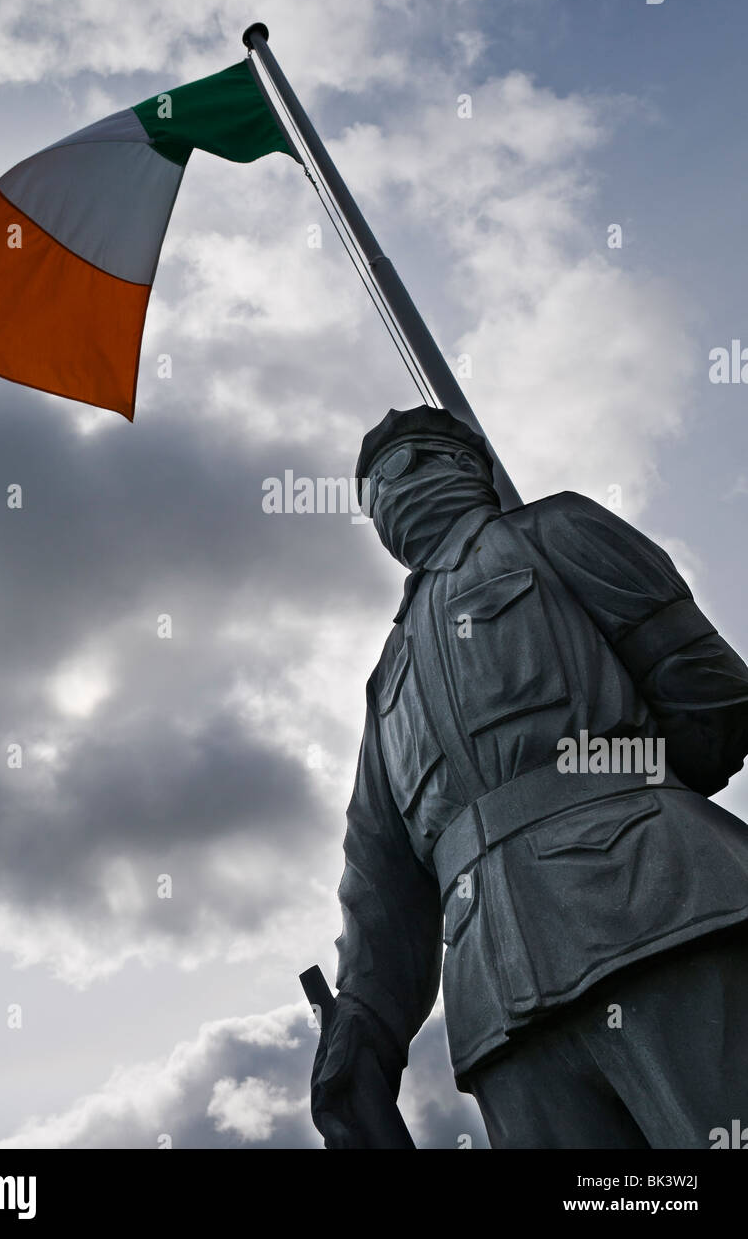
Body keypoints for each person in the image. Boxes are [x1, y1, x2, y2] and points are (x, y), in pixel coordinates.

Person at [311, 406, 748, 1149]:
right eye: (376, 487)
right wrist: (363, 1025)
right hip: (498, 1006)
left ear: (470, 470)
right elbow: (378, 879)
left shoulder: (554, 531)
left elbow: (708, 691)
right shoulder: (385, 684)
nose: (396, 489)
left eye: (417, 462)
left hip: (657, 913)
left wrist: (624, 794)